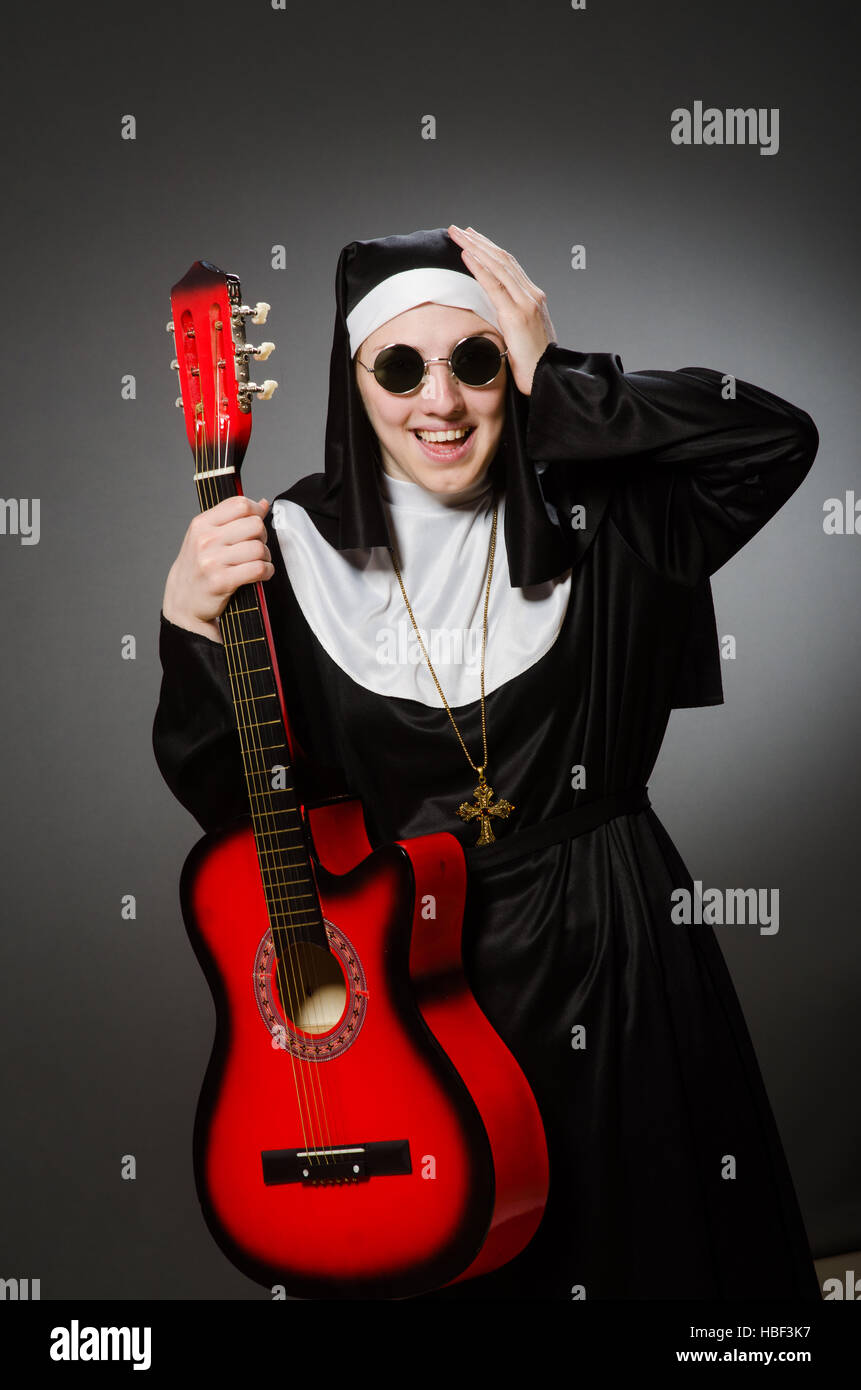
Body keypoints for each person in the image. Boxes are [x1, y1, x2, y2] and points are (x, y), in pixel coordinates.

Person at [153, 224, 822, 1300]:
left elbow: (773, 437)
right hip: (413, 970)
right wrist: (190, 633)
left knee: (651, 1242)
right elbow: (239, 808)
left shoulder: (602, 507)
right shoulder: (280, 552)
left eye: (474, 360)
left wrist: (564, 380)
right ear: (351, 377)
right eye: (400, 367)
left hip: (614, 942)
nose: (442, 402)